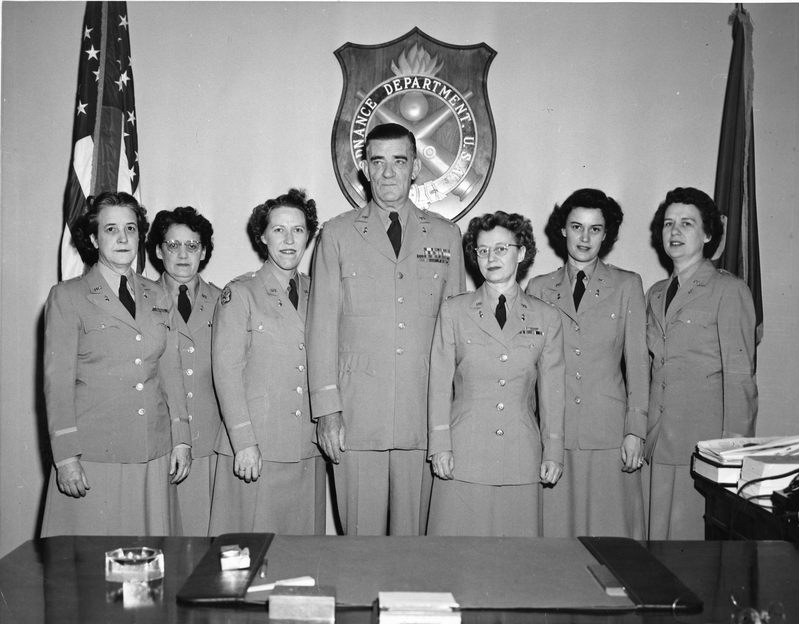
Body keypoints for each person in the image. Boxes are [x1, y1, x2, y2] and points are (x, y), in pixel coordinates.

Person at [307, 123, 466, 536]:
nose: (389, 172)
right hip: (358, 418)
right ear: (364, 168)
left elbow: (456, 336)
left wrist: (449, 417)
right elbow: (321, 327)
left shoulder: (446, 236)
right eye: (379, 162)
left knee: (415, 547)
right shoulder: (337, 234)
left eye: (400, 161)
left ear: (415, 168)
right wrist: (327, 410)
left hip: (423, 414)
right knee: (360, 545)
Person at [41, 192, 190, 537]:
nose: (123, 238)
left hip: (152, 451)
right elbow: (57, 384)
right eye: (111, 229)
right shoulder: (68, 297)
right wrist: (65, 458)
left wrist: (181, 438)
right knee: (93, 570)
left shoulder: (159, 294)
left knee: (151, 565)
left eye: (131, 228)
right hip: (94, 456)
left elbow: (171, 371)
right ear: (93, 238)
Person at [427, 211, 565, 537]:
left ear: (522, 252)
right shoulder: (454, 311)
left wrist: (554, 451)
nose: (491, 257)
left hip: (521, 456)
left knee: (514, 566)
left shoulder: (546, 318)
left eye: (501, 249)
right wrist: (440, 445)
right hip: (463, 454)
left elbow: (553, 395)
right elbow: (438, 385)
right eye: (483, 250)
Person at [526, 189, 648, 539]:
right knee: (556, 534)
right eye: (576, 226)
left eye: (595, 229)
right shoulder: (538, 288)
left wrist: (635, 430)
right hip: (555, 431)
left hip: (608, 432)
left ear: (606, 234)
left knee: (611, 534)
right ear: (562, 229)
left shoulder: (628, 285)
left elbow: (638, 364)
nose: (584, 237)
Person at [209, 188, 325, 534]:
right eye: (278, 230)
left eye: (299, 230)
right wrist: (244, 443)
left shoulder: (318, 291)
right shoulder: (241, 293)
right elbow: (226, 372)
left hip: (307, 447)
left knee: (303, 561)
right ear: (262, 236)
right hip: (257, 448)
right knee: (249, 557)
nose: (289, 240)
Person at [645, 187, 758, 539]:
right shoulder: (656, 293)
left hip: (703, 449)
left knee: (692, 553)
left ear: (708, 234)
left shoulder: (729, 290)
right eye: (668, 223)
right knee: (656, 550)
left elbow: (741, 378)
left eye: (687, 223)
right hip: (658, 442)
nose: (674, 232)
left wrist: (732, 452)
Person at [147, 207, 222, 536]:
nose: (182, 254)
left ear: (203, 251)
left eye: (192, 246)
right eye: (173, 245)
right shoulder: (138, 301)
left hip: (209, 441)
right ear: (158, 250)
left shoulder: (225, 301)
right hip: (160, 440)